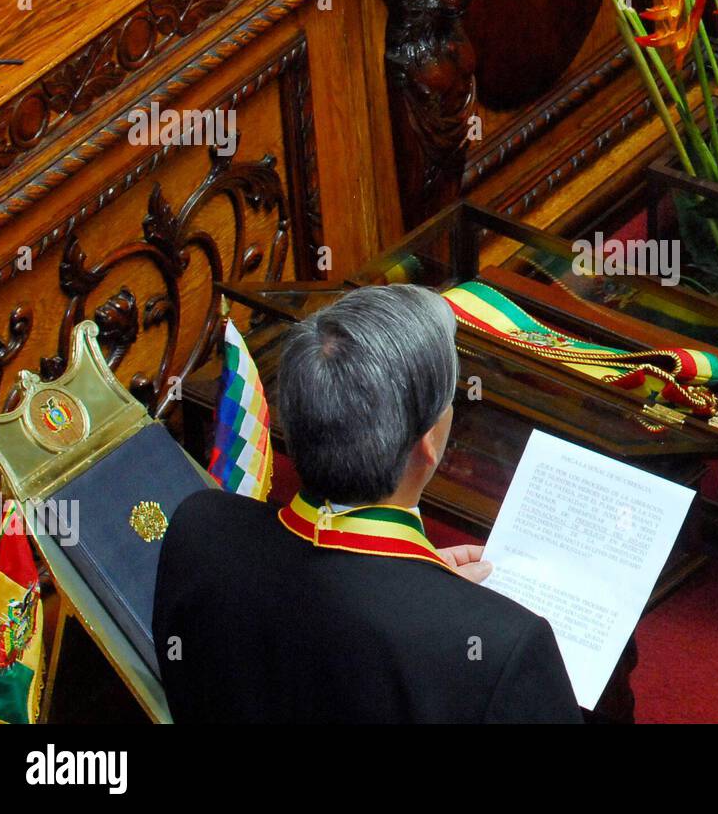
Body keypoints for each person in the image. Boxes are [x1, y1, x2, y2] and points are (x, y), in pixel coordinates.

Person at [153, 284, 582, 723]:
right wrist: (435, 604)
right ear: (428, 441)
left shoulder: (199, 528)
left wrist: (421, 588)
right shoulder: (506, 647)